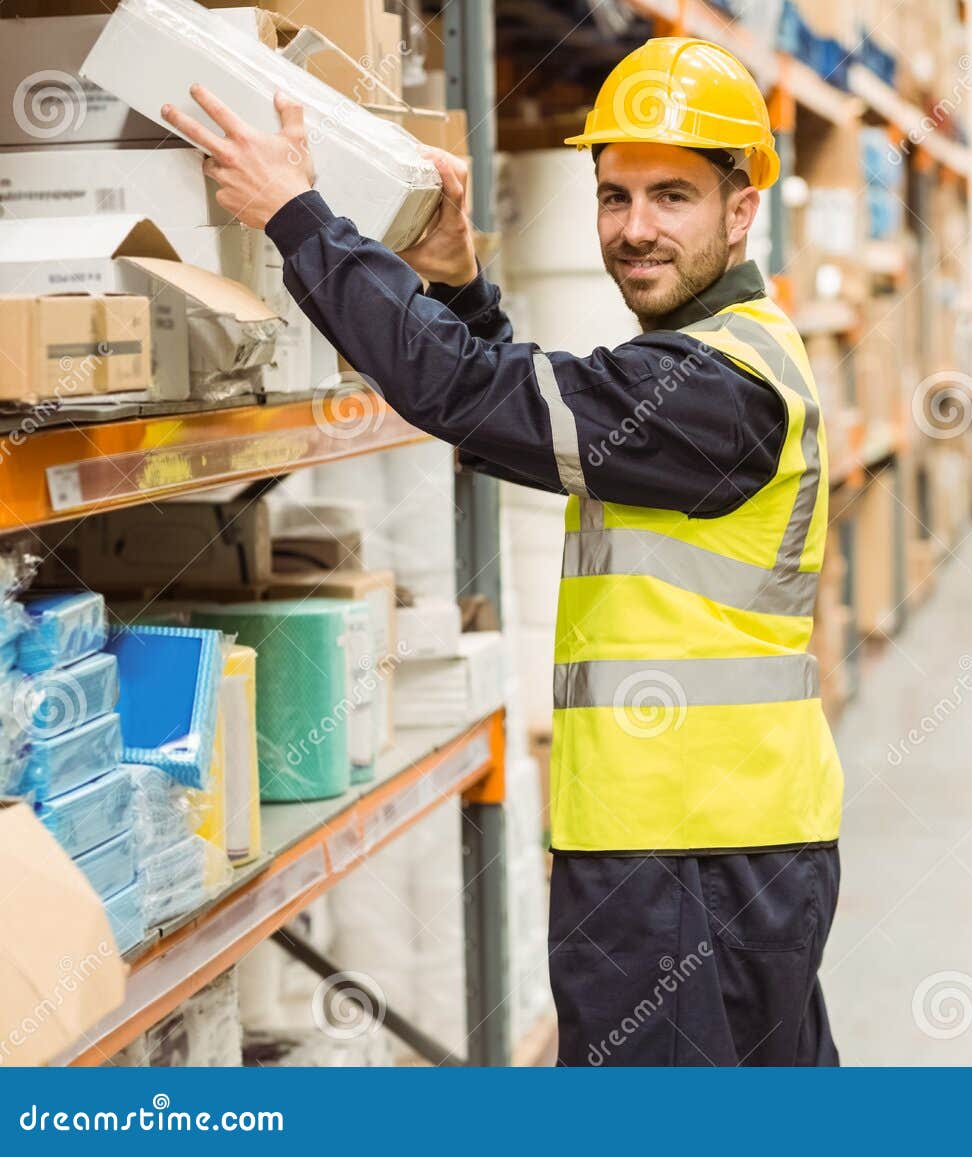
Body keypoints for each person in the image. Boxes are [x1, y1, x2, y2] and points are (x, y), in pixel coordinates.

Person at [163, 37, 845, 1065]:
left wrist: (297, 217)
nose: (635, 229)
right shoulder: (706, 361)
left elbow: (479, 399)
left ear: (740, 209)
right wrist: (462, 289)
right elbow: (531, 406)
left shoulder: (716, 389)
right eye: (615, 198)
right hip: (712, 835)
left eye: (672, 197)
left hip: (688, 847)